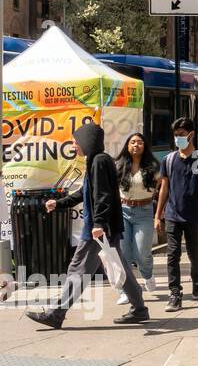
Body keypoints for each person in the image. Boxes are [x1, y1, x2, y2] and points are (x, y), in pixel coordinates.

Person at [27, 122, 150, 328]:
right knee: (119, 267)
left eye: (75, 142)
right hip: (103, 228)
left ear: (87, 141)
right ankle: (139, 308)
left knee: (78, 268)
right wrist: (58, 204)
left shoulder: (99, 161)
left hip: (98, 229)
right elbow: (84, 192)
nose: (74, 146)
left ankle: (56, 313)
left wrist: (99, 223)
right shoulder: (96, 160)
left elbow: (103, 196)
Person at [155, 117, 198, 313]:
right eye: (176, 135)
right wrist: (158, 215)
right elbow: (164, 189)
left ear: (191, 135)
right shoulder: (169, 160)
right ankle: (175, 292)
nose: (178, 139)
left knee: (193, 253)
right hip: (173, 214)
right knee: (173, 254)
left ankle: (197, 280)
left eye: (181, 135)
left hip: (194, 215)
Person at [116, 132, 160, 301]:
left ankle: (148, 275)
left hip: (144, 211)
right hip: (123, 210)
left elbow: (162, 187)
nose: (136, 145)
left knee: (142, 252)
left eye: (139, 142)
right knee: (124, 254)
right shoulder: (119, 165)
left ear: (144, 146)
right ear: (127, 146)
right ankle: (126, 291)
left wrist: (158, 213)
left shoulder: (154, 167)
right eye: (132, 142)